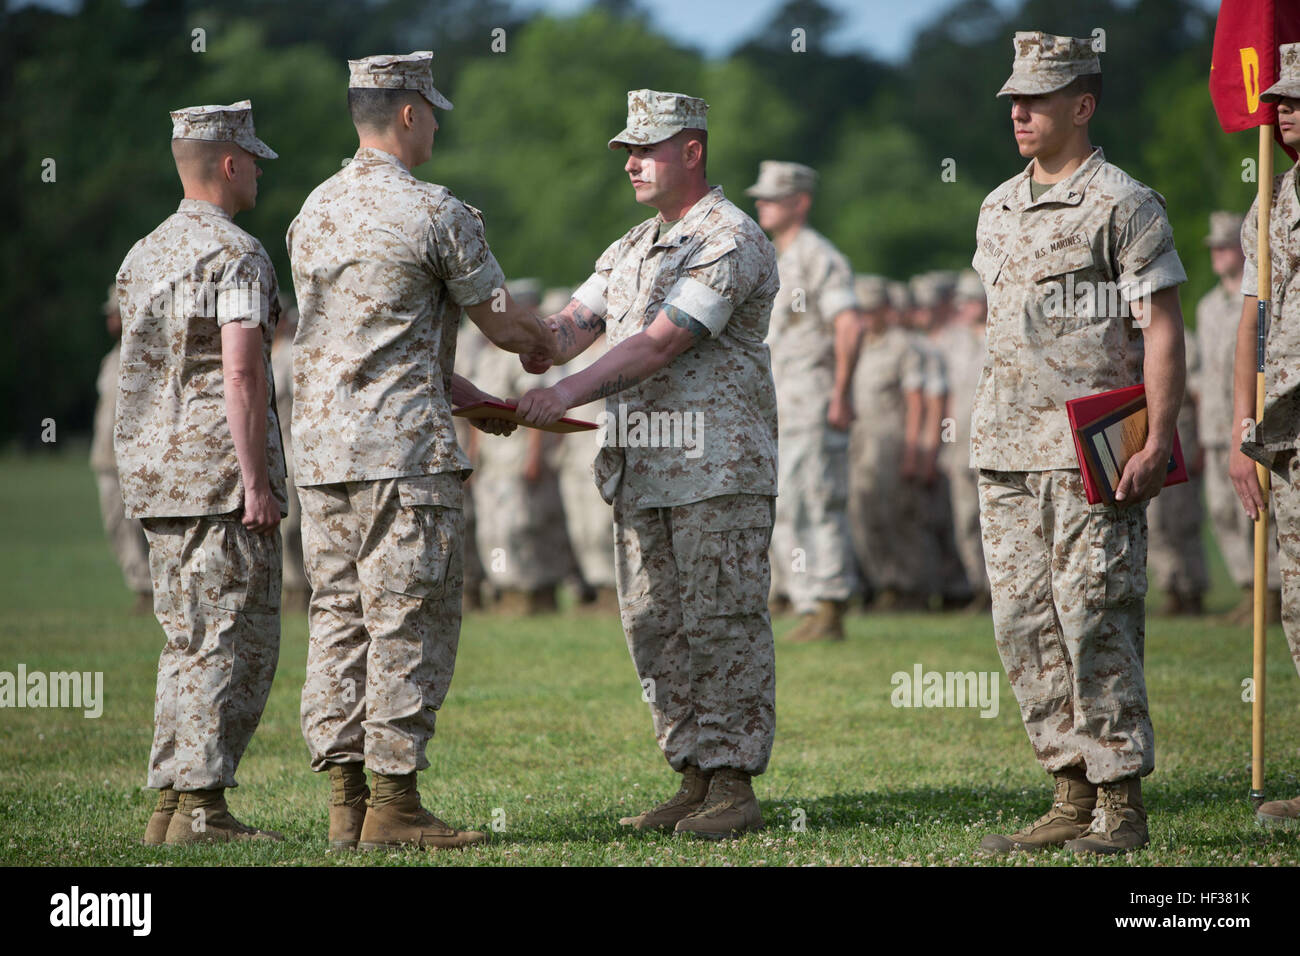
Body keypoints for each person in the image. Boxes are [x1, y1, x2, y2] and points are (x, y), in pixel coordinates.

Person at [287, 51, 554, 851]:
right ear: (408, 114)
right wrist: (557, 343)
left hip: (326, 457)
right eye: (431, 110)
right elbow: (505, 325)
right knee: (408, 617)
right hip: (405, 455)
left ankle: (347, 802)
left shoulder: (311, 212)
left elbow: (372, 344)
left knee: (337, 618)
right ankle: (397, 807)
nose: (437, 122)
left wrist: (474, 399)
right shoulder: (438, 212)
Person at [515, 89, 779, 838]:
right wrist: (512, 326)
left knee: (721, 622)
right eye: (626, 149)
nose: (631, 161)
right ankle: (692, 776)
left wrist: (564, 388)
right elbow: (572, 327)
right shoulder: (631, 247)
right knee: (655, 627)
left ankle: (733, 783)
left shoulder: (729, 237)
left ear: (692, 151)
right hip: (644, 468)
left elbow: (663, 340)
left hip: (714, 467)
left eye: (647, 148)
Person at [970, 33, 1187, 855]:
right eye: (1013, 100)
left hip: (1093, 450)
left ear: (1083, 105)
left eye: (1037, 99)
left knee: (1096, 612)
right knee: (1023, 623)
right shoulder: (994, 204)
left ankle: (1119, 797)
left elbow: (1160, 328)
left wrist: (1157, 436)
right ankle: (1068, 789)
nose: (1019, 112)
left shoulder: (1124, 203)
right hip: (1004, 446)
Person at [115, 100, 287, 844]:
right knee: (233, 640)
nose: (257, 172)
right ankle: (205, 810)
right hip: (219, 475)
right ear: (228, 162)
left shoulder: (141, 254)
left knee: (184, 640)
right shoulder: (236, 254)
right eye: (252, 159)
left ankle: (170, 807)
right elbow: (241, 370)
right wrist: (256, 481)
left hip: (156, 478)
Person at [747, 161, 861, 641]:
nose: (761, 206)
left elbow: (850, 323)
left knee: (817, 498)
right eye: (761, 198)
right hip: (776, 403)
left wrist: (840, 394)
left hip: (813, 397)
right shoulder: (768, 257)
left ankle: (830, 602)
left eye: (773, 198)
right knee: (786, 502)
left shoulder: (819, 256)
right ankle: (806, 599)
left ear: (801, 202)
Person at [1231, 43, 1300, 828]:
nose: (1280, 111)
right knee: (1298, 607)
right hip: (1285, 432)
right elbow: (1251, 320)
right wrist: (1238, 424)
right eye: (1278, 99)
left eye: (1297, 100)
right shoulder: (1272, 203)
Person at [1198, 212, 1281, 623]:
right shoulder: (1207, 307)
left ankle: (1271, 593)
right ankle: (1248, 588)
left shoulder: (1258, 299)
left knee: (1257, 509)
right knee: (1220, 511)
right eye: (1212, 247)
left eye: (1224, 245)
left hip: (1251, 422)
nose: (1217, 253)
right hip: (1213, 425)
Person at [847, 275, 931, 611]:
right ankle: (881, 583)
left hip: (891, 439)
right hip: (858, 441)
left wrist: (913, 450)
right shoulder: (853, 344)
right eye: (860, 310)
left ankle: (909, 587)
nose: (866, 317)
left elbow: (916, 401)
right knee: (862, 512)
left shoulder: (903, 345)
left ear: (885, 308)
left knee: (898, 514)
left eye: (871, 309)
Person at [91, 285, 152, 614]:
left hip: (135, 458)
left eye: (115, 313)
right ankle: (139, 583)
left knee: (139, 526)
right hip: (106, 457)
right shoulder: (110, 361)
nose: (111, 320)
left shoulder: (145, 357)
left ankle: (148, 589)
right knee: (115, 523)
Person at [1146, 327, 1208, 615]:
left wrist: (1204, 443)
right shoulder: (1130, 332)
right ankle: (1171, 588)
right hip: (1143, 437)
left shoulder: (1183, 337)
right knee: (1154, 522)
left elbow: (1199, 396)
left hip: (1180, 436)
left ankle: (1192, 590)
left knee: (1183, 519)